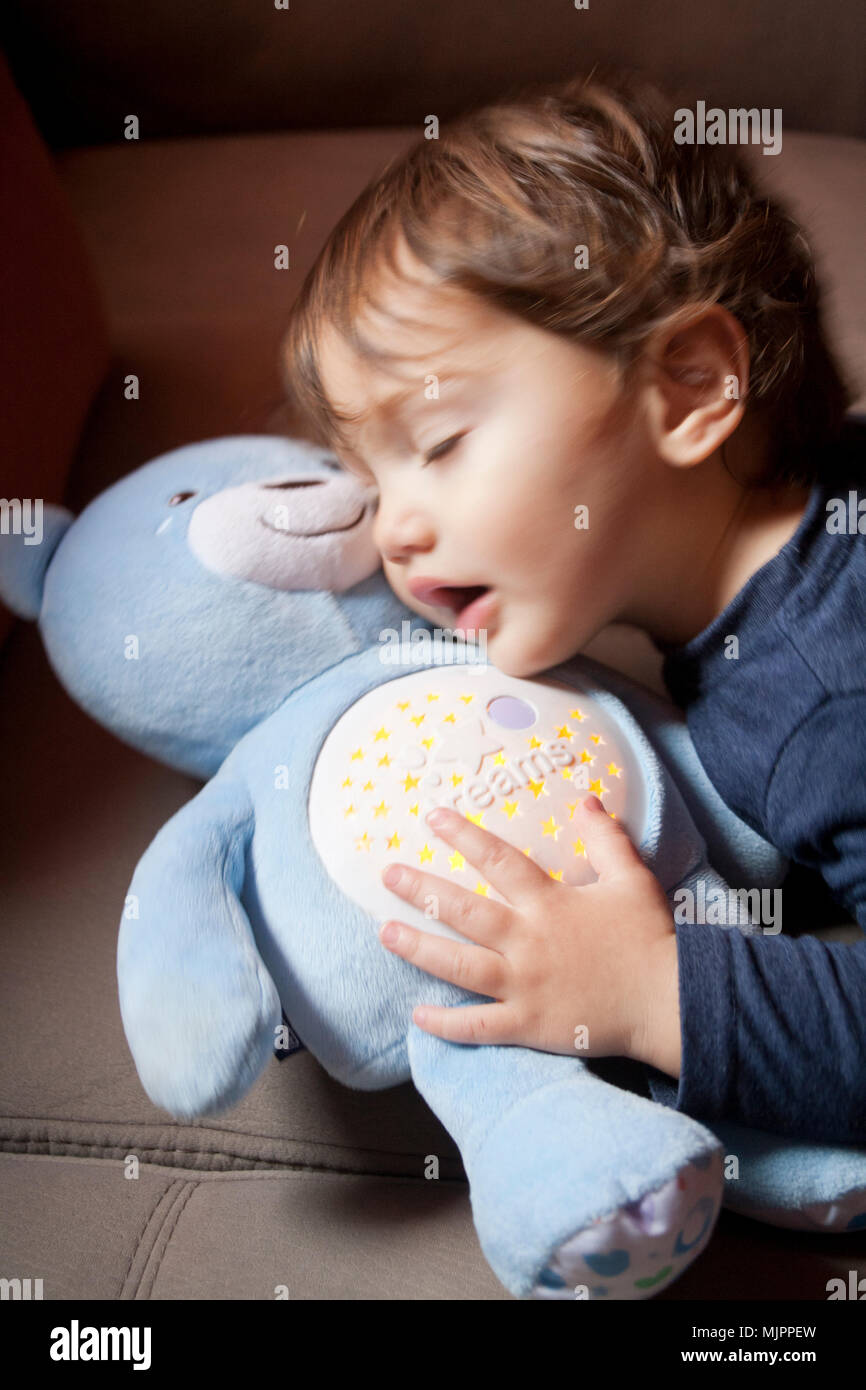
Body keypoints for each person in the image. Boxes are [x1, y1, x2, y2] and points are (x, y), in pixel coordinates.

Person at [279, 71, 866, 1142]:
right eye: (370, 485)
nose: (389, 531)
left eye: (442, 443)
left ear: (687, 386)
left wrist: (654, 992)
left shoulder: (824, 702)